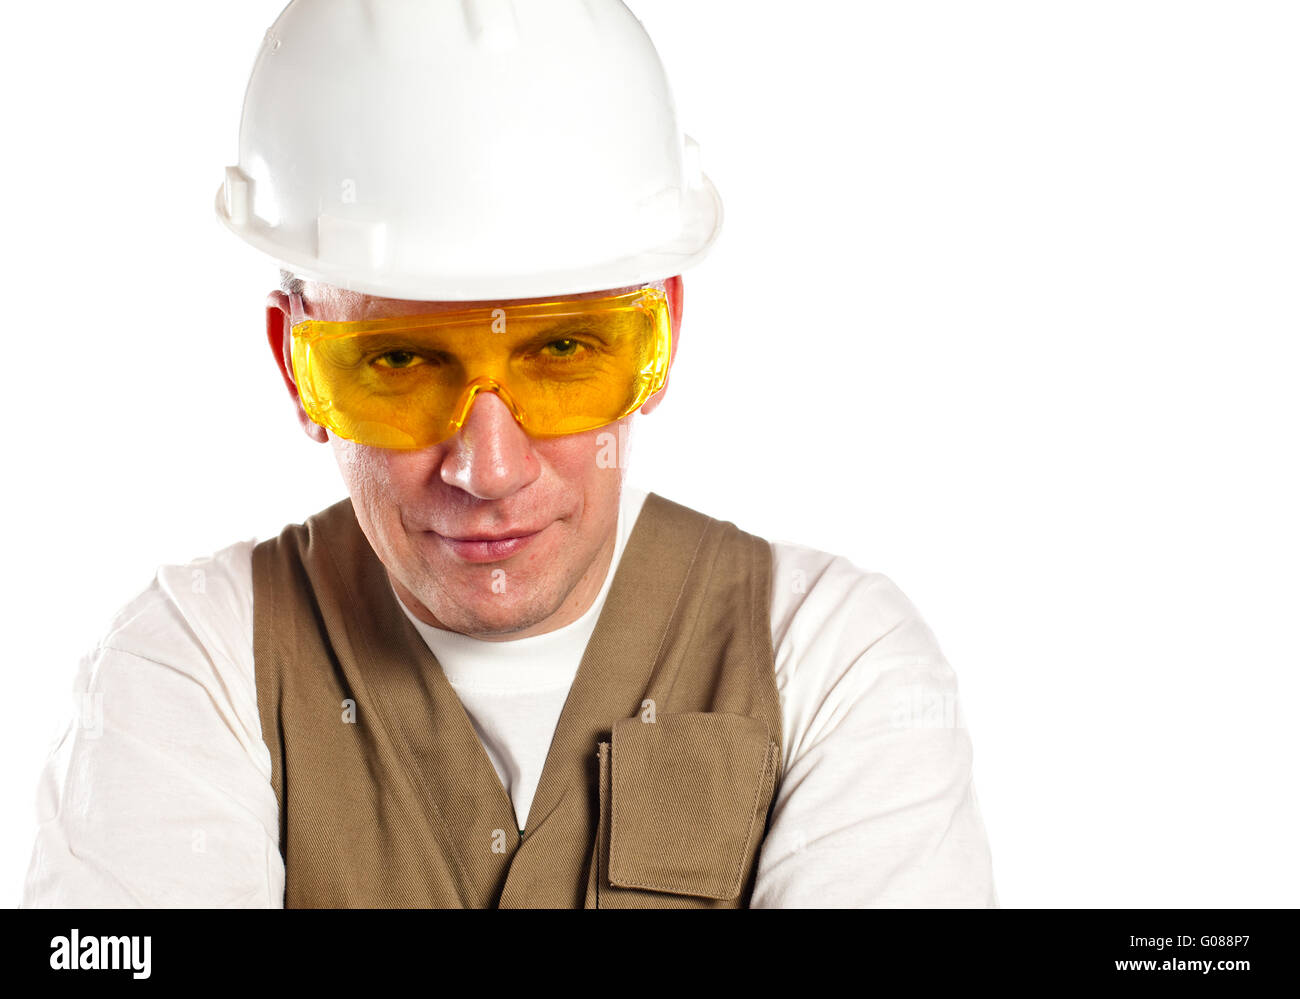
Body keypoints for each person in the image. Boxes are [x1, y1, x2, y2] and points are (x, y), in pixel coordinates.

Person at [22, 0, 996, 908]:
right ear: (294, 365)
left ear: (660, 344)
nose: (486, 470)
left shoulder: (830, 660)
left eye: (563, 351)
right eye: (399, 361)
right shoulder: (191, 668)